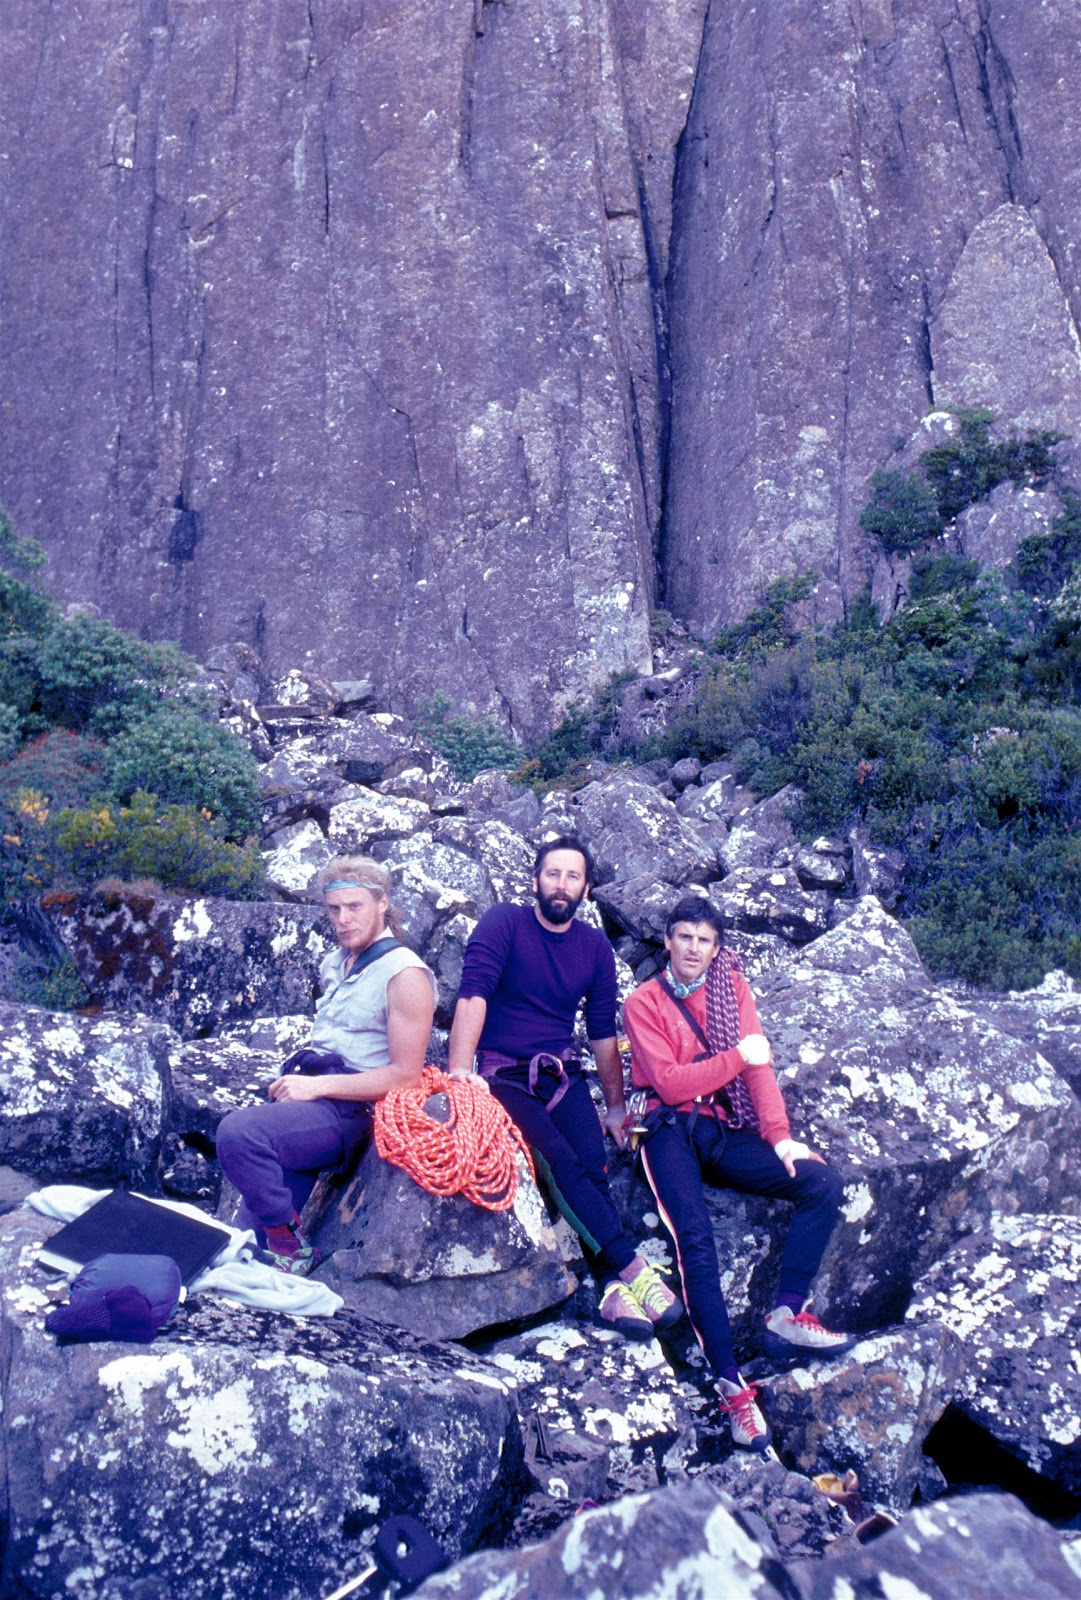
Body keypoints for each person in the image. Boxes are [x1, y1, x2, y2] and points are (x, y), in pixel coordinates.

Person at [621, 894, 854, 1450]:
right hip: (666, 1127)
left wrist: (780, 1139)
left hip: (720, 1128)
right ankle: (732, 1388)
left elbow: (760, 1069)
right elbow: (673, 1082)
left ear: (716, 947)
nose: (693, 948)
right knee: (695, 1240)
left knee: (821, 1183)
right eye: (684, 937)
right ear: (668, 941)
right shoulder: (643, 1002)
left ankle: (787, 1314)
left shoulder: (732, 992)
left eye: (704, 939)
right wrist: (738, 1056)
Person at [447, 834, 682, 1340]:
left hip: (560, 1074)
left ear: (587, 888)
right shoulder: (504, 923)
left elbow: (602, 1034)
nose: (561, 884)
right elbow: (473, 996)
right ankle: (636, 1271)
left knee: (594, 1168)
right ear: (536, 880)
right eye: (553, 874)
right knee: (558, 1161)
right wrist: (460, 1074)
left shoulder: (593, 947)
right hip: (500, 1072)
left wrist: (616, 1109)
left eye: (573, 876)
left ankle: (613, 1293)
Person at [216, 856, 435, 1274]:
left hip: (355, 1110)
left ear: (382, 903)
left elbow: (406, 1076)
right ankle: (279, 1243)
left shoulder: (405, 974)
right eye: (334, 909)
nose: (343, 919)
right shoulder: (336, 963)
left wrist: (315, 1087)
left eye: (355, 907)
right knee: (237, 1252)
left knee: (237, 1133)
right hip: (321, 1101)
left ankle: (290, 1245)